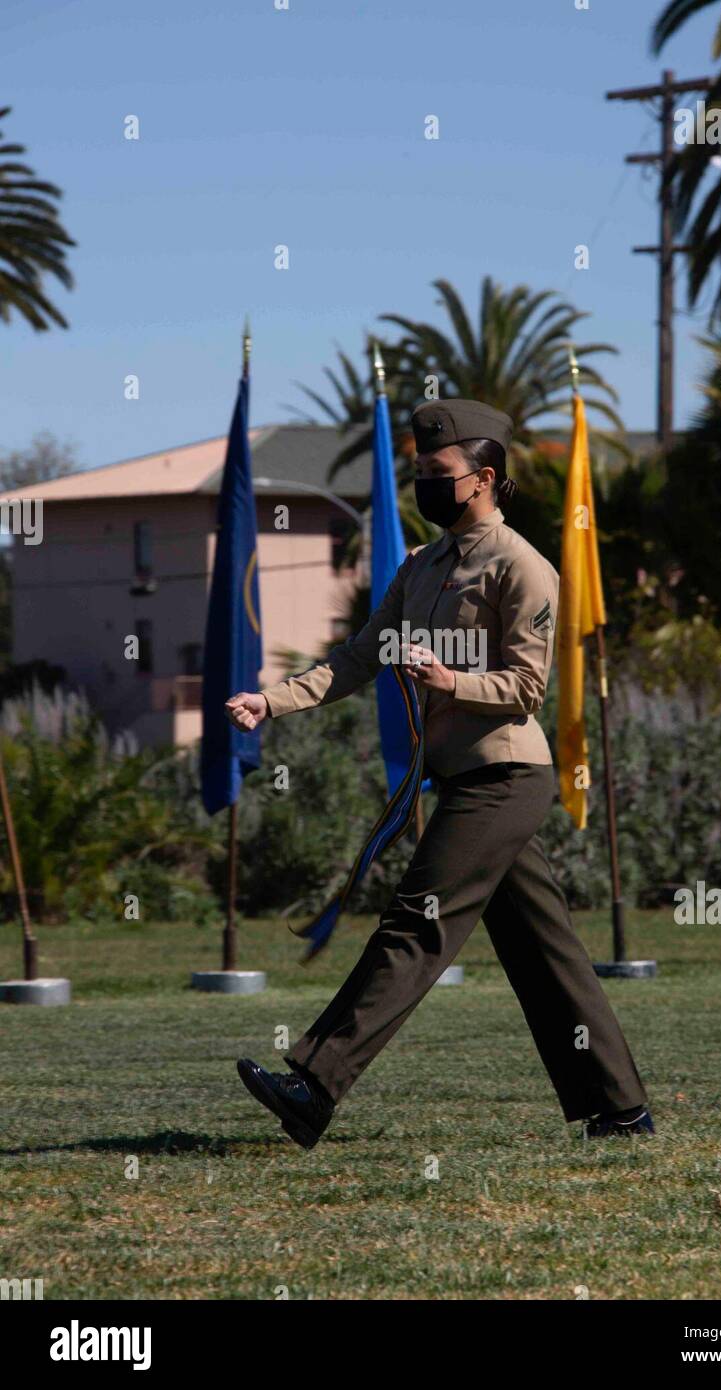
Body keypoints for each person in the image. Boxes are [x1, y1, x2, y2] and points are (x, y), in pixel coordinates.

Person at [226, 398, 652, 1149]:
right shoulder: (419, 569)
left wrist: (451, 679)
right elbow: (361, 656)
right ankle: (620, 1110)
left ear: (483, 478)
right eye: (420, 470)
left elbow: (525, 689)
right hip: (461, 779)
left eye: (438, 472)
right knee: (545, 952)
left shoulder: (523, 567)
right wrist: (272, 701)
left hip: (506, 778)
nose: (425, 482)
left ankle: (315, 1083)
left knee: (414, 923)